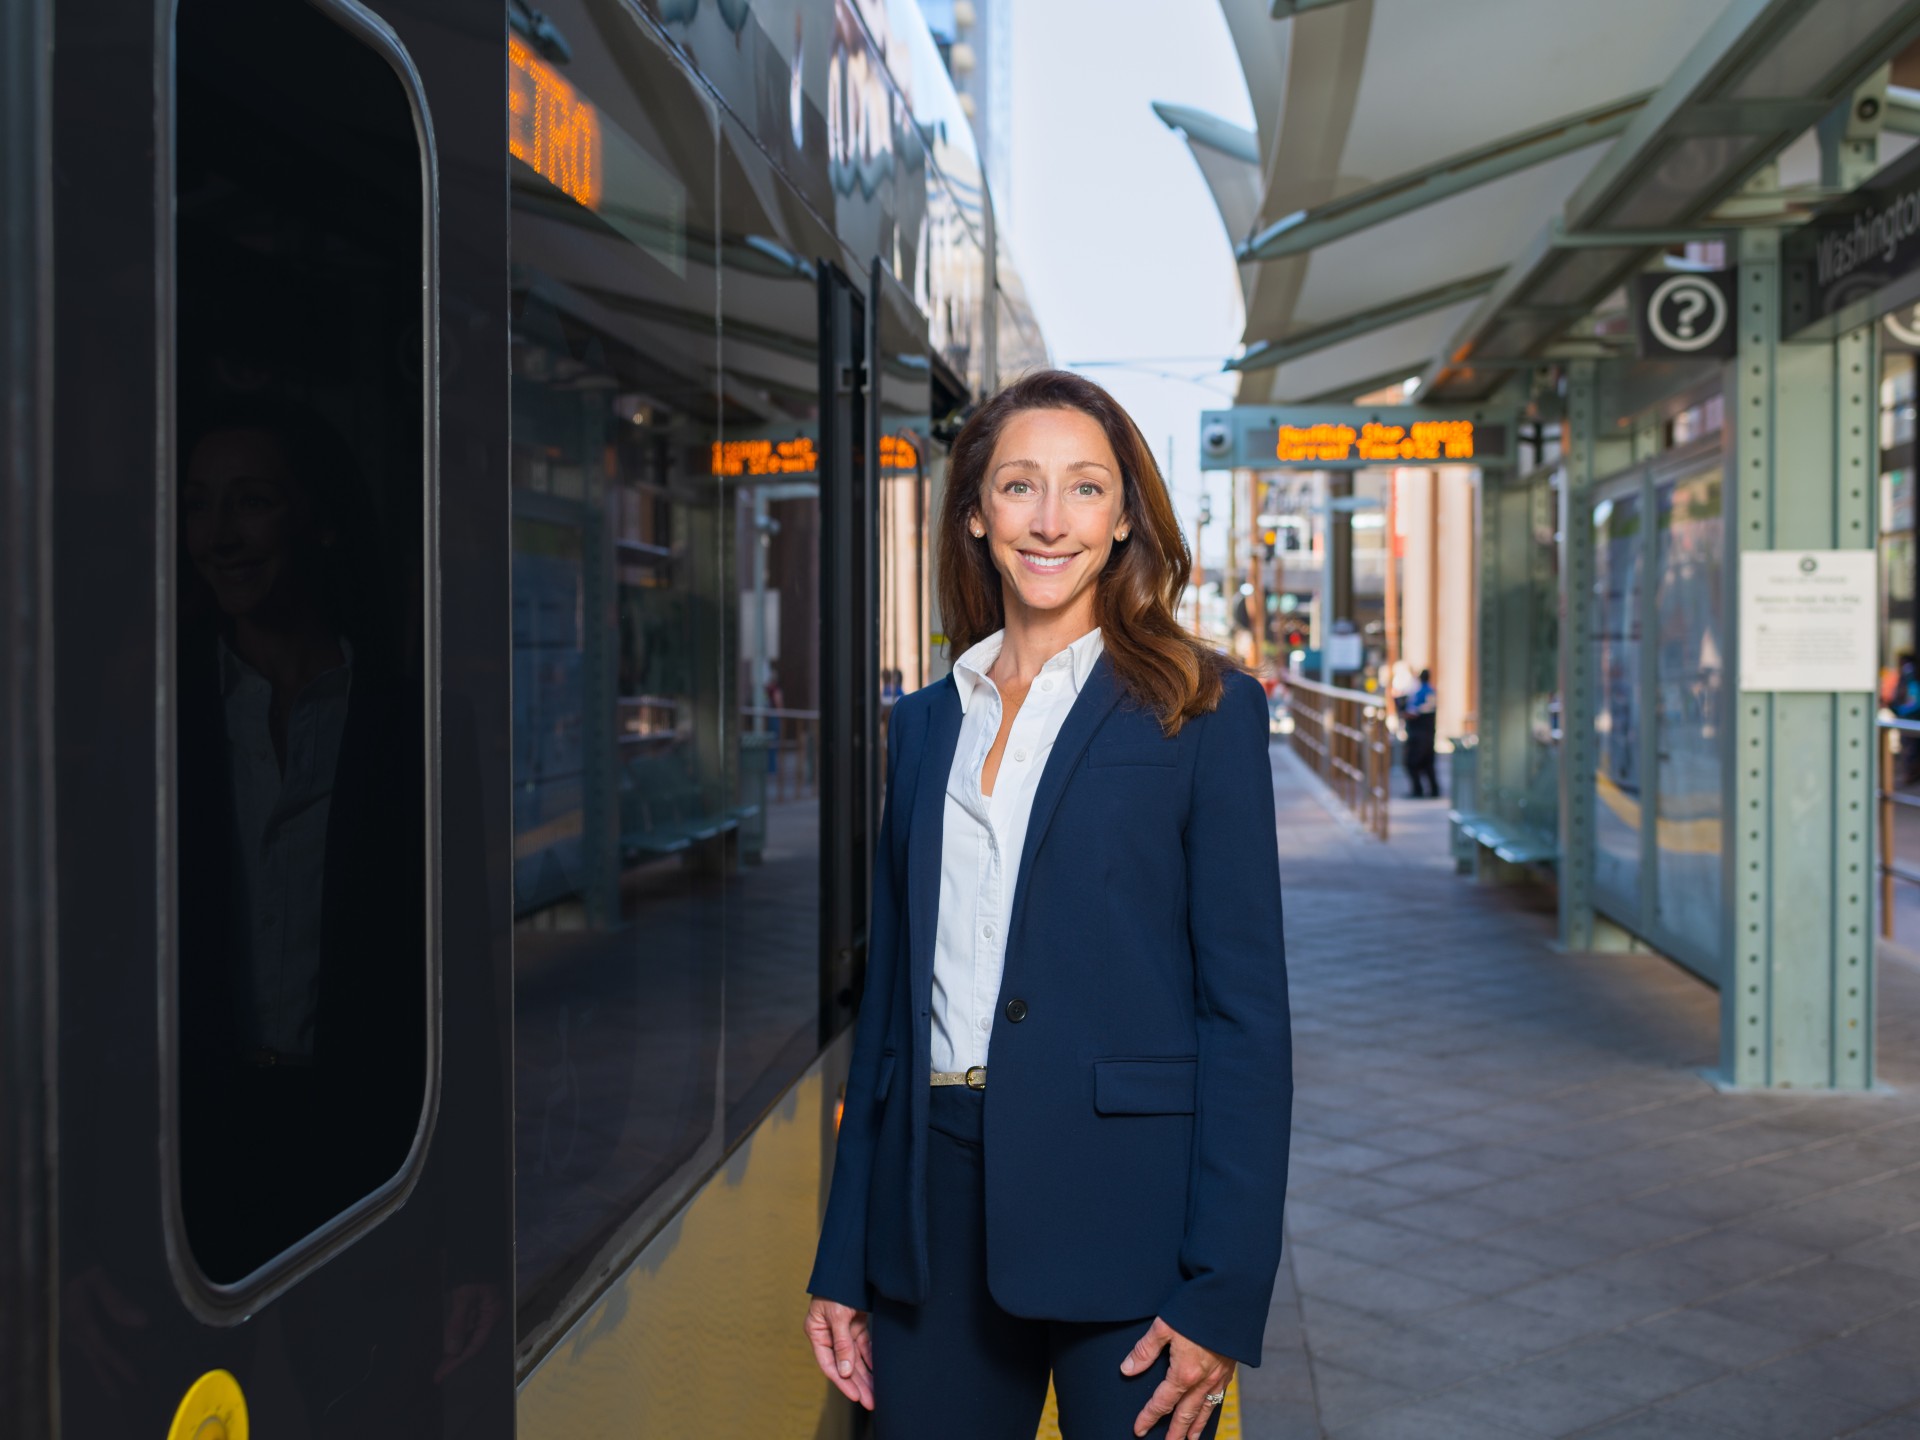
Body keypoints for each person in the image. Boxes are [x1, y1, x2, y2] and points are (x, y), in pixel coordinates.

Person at [803, 370, 1292, 1440]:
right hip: (933, 1215)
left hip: (1131, 1216)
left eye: (1084, 489)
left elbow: (1245, 1021)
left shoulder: (1203, 711)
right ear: (976, 512)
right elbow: (888, 1019)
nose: (1050, 520)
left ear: (1123, 521)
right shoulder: (925, 725)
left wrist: (1222, 1288)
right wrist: (844, 1257)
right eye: (1020, 487)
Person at [1401, 667, 1439, 799]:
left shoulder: (1419, 693)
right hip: (1429, 733)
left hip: (1418, 734)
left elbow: (1412, 712)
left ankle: (1418, 790)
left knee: (1412, 763)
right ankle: (1434, 790)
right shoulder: (1432, 691)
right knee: (1428, 764)